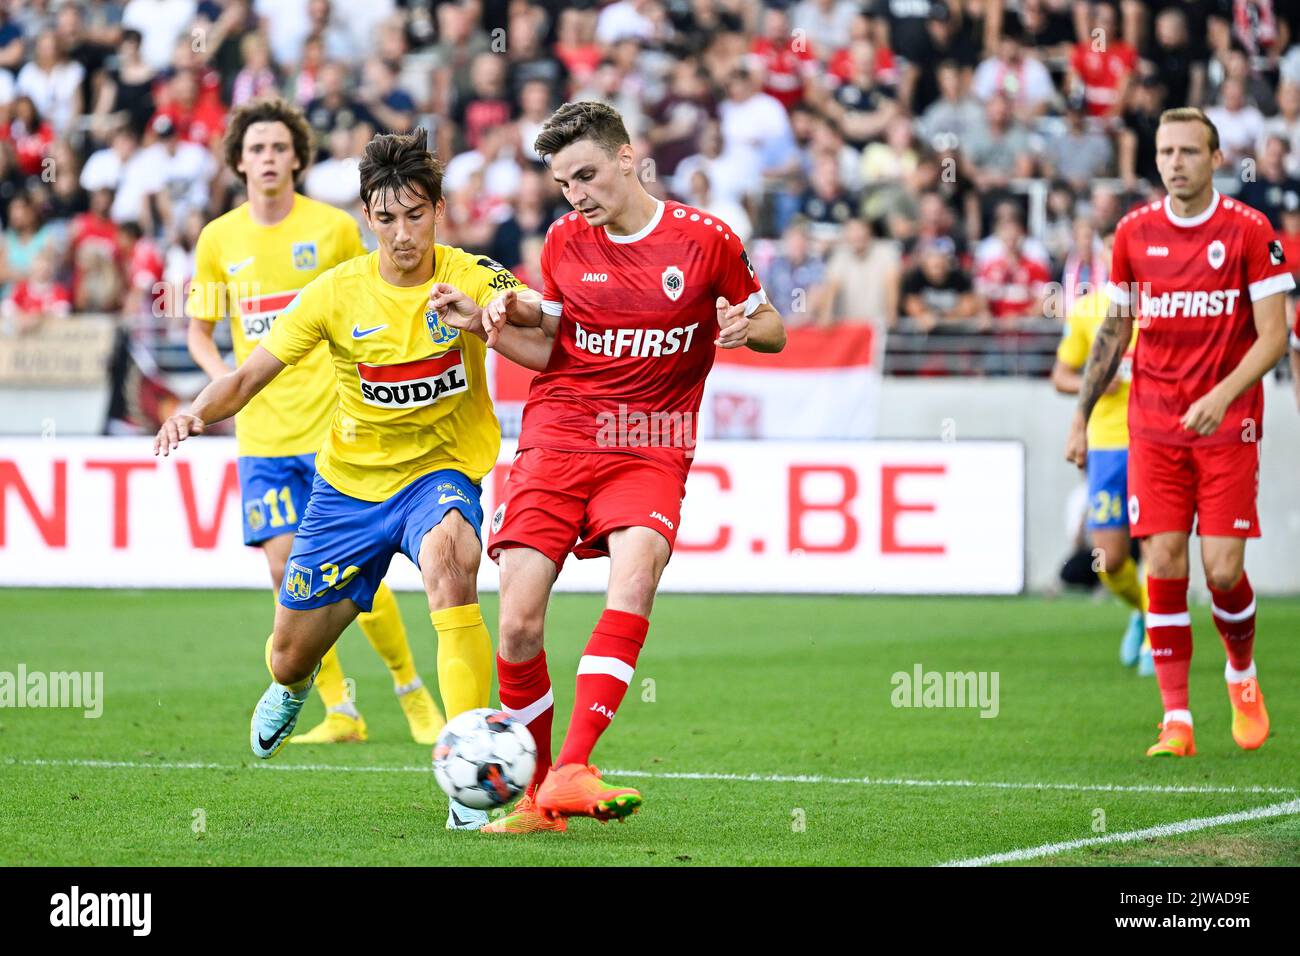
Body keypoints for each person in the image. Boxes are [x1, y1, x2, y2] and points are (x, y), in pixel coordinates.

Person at [158, 126, 534, 830]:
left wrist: (500, 315)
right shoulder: (334, 294)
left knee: (454, 555)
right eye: (386, 218)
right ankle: (294, 687)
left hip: (438, 475)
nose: (401, 235)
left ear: (439, 211)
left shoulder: (472, 272)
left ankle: (468, 776)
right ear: (368, 217)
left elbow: (537, 308)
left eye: (415, 216)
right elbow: (245, 375)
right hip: (349, 493)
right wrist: (194, 411)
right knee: (287, 653)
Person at [478, 101, 786, 833]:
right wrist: (492, 320)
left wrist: (749, 327)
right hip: (558, 435)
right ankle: (539, 794)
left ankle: (576, 766)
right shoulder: (561, 241)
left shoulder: (706, 239)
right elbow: (559, 337)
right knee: (518, 624)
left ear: (626, 158)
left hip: (651, 440)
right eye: (562, 184)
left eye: (585, 175)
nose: (576, 195)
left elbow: (772, 323)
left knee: (638, 572)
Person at [185, 97, 443, 750]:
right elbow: (200, 329)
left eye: (279, 147)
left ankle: (412, 691)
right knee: (286, 573)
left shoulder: (330, 230)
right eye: (256, 149)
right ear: (239, 162)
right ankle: (338, 708)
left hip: (335, 426)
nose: (268, 158)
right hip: (263, 435)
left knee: (353, 573)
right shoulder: (219, 239)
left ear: (297, 156)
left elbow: (366, 300)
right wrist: (226, 378)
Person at [1065, 108, 1294, 757]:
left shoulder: (1250, 231)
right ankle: (1177, 720)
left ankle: (1241, 675)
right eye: (1166, 151)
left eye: (1189, 151)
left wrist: (1223, 396)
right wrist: (1081, 415)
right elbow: (1115, 328)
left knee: (1221, 573)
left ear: (1215, 157)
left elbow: (1274, 337)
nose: (1174, 163)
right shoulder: (1135, 232)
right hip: (1156, 425)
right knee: (1162, 561)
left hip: (1229, 426)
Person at [1051, 229, 1152, 675]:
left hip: (1155, 439)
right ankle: (1145, 611)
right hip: (1107, 445)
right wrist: (1093, 383)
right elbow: (1061, 375)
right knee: (1109, 558)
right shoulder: (1090, 310)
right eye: (1112, 249)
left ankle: (1157, 642)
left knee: (1156, 547)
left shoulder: (1160, 305)